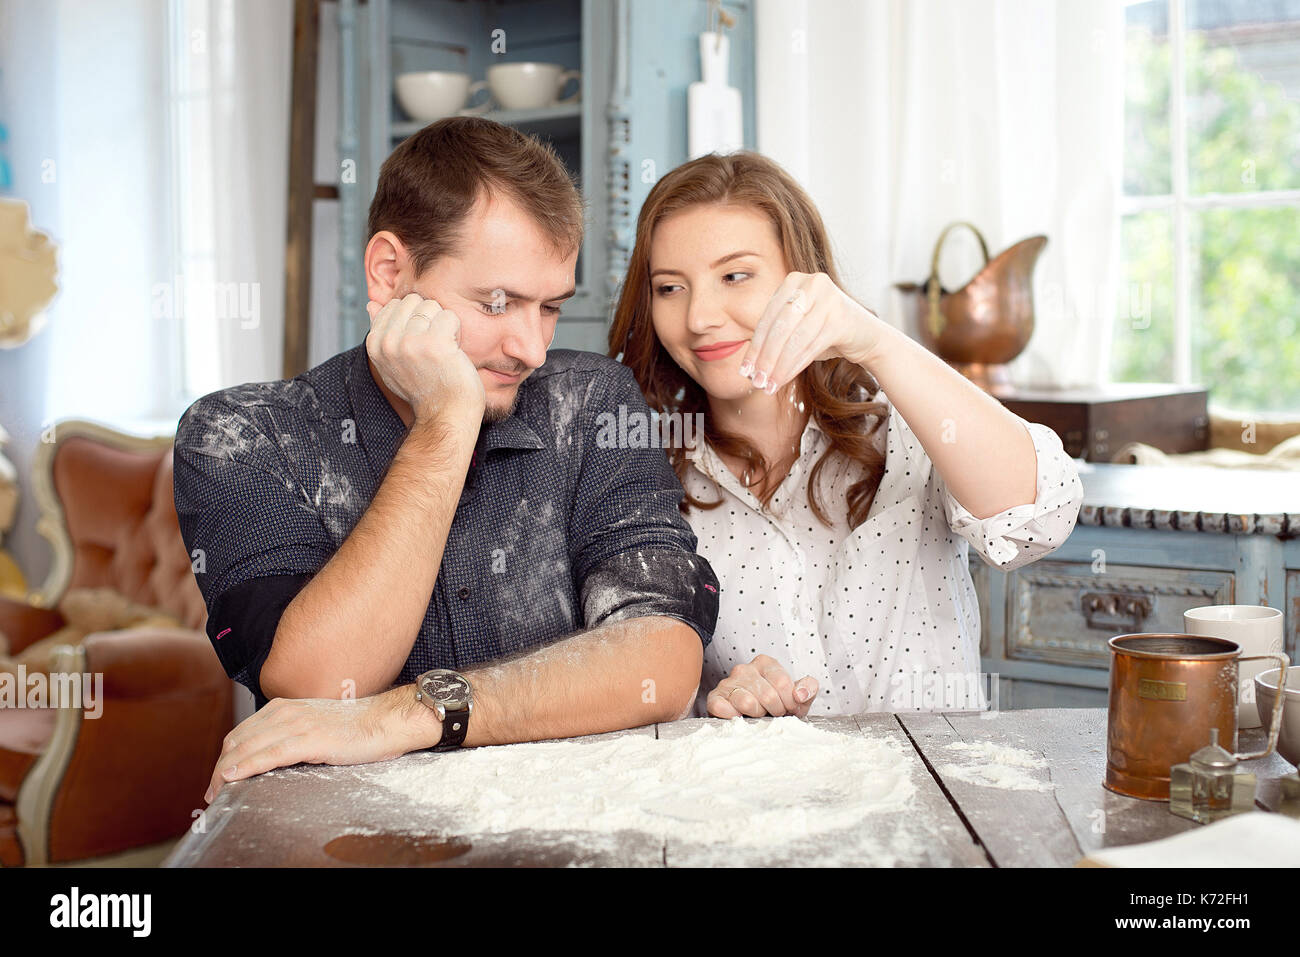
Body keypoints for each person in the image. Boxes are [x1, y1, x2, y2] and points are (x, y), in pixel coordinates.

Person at [174, 118, 718, 805]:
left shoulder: (592, 403)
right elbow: (318, 684)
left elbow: (661, 658)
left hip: (571, 828)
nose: (531, 348)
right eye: (497, 302)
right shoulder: (242, 433)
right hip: (350, 844)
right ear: (389, 272)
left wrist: (408, 713)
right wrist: (445, 425)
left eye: (550, 306)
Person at [608, 151, 1083, 720]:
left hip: (938, 797)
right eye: (670, 287)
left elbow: (1038, 522)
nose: (700, 317)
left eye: (735, 275)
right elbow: (641, 699)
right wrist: (718, 710)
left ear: (803, 281)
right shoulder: (644, 474)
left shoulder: (909, 427)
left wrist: (875, 341)